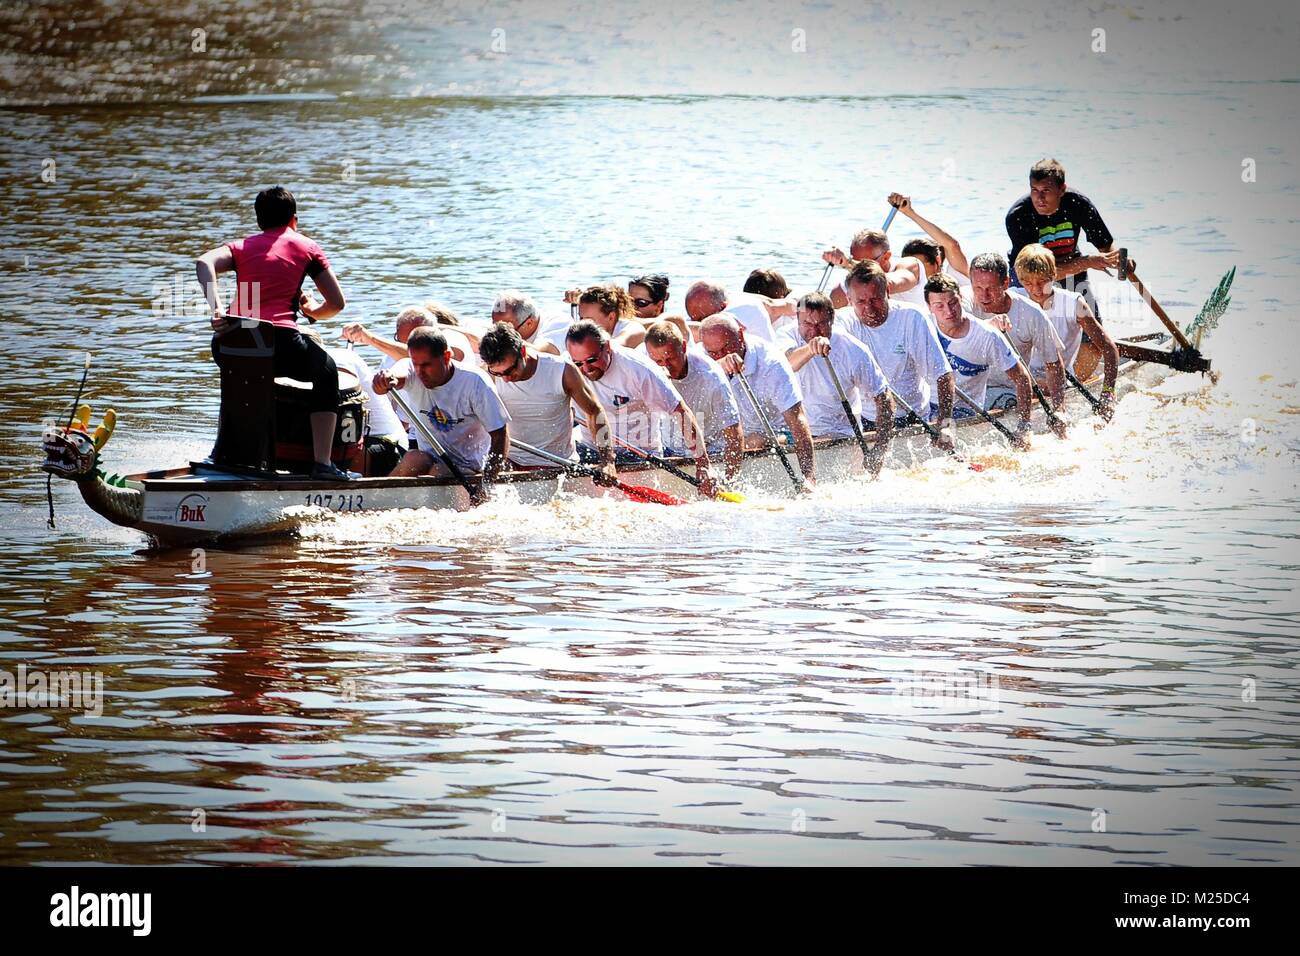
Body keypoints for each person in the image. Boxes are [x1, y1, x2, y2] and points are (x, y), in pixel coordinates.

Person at [195, 185, 352, 481]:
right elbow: (337, 303)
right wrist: (313, 313)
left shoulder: (240, 246)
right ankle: (322, 463)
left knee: (244, 376)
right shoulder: (307, 247)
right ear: (294, 219)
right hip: (279, 342)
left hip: (230, 340)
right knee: (327, 372)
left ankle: (224, 452)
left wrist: (217, 309)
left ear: (258, 221)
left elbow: (204, 262)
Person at [566, 321, 716, 495]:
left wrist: (704, 465)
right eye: (578, 363)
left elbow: (680, 412)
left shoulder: (638, 369)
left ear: (607, 346)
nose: (586, 368)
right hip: (590, 449)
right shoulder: (566, 368)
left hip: (638, 454)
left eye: (592, 360)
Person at [839, 260, 956, 450]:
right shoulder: (842, 323)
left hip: (913, 417)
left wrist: (945, 425)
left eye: (875, 299)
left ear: (887, 293)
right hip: (869, 419)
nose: (869, 308)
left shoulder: (912, 317)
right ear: (848, 299)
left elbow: (942, 375)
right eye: (861, 301)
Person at [477, 322, 616, 478]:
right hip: (510, 463)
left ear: (522, 350)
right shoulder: (487, 376)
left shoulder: (562, 370)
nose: (507, 379)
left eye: (510, 370)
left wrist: (607, 462)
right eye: (499, 374)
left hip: (556, 465)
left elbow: (594, 412)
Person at [372, 327, 510, 483]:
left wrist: (488, 483)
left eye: (426, 365)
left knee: (438, 470)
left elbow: (501, 435)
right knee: (413, 458)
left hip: (469, 466)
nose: (420, 372)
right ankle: (378, 497)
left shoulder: (475, 382)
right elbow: (398, 373)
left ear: (447, 356)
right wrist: (385, 380)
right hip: (430, 457)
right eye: (415, 364)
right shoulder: (411, 369)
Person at [779, 292, 895, 475]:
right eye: (807, 324)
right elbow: (787, 364)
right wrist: (810, 349)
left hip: (838, 432)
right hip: (794, 431)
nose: (814, 332)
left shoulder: (853, 349)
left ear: (832, 319)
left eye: (820, 324)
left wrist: (879, 450)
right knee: (758, 441)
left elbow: (884, 397)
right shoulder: (785, 336)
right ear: (797, 320)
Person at [1005, 158, 1133, 322]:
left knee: (1093, 333)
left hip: (1071, 264)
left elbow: (1106, 247)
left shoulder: (1078, 204)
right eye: (1034, 190)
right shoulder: (1018, 216)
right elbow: (1040, 274)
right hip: (1029, 275)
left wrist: (1120, 261)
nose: (1040, 198)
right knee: (1033, 326)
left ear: (1062, 189)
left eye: (1046, 190)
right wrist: (1088, 262)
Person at [699, 313, 817, 489]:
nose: (722, 356)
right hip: (730, 438)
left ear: (740, 335)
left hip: (774, 435)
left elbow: (797, 419)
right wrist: (717, 368)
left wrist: (809, 477)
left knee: (755, 440)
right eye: (713, 353)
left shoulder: (771, 363)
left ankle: (729, 481)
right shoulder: (701, 358)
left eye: (726, 348)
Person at [923, 274, 1033, 448]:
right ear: (929, 308)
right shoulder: (922, 327)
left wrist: (1024, 427)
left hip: (964, 410)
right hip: (925, 407)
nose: (949, 311)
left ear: (960, 298)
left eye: (953, 303)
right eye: (939, 306)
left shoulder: (987, 336)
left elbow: (1022, 378)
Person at [1014, 243, 1121, 417]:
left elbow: (1109, 348)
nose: (1036, 290)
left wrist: (1108, 393)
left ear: (1054, 275)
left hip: (1058, 382)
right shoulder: (1013, 298)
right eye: (1028, 283)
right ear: (1020, 280)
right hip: (1022, 381)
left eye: (1042, 281)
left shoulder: (1074, 304)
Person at [965, 252, 1068, 431]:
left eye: (990, 288)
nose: (984, 296)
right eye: (978, 288)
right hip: (969, 390)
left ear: (1006, 283)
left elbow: (1054, 365)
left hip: (1009, 390)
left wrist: (1059, 409)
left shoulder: (1031, 313)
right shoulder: (962, 302)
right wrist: (986, 325)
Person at [643, 320, 744, 479]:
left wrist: (730, 480)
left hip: (712, 449)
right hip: (670, 449)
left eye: (670, 359)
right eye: (658, 362)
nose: (665, 367)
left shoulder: (711, 376)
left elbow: (734, 434)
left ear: (683, 347)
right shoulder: (641, 363)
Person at [327, 344, 412, 475]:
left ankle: (353, 490)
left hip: (387, 443)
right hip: (355, 439)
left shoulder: (339, 358)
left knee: (346, 442)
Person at [823, 227, 927, 309]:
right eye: (854, 259)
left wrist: (848, 264)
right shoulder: (844, 288)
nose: (858, 266)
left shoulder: (910, 265)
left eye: (865, 262)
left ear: (886, 257)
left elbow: (888, 284)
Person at [887, 192, 971, 281]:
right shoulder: (901, 285)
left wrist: (910, 213)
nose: (914, 272)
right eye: (910, 267)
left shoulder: (955, 280)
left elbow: (952, 246)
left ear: (937, 261)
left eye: (919, 267)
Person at [683, 280, 793, 342]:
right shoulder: (726, 298)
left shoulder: (745, 308)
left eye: (701, 319)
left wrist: (669, 324)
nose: (695, 322)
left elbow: (712, 330)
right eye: (692, 318)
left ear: (723, 306)